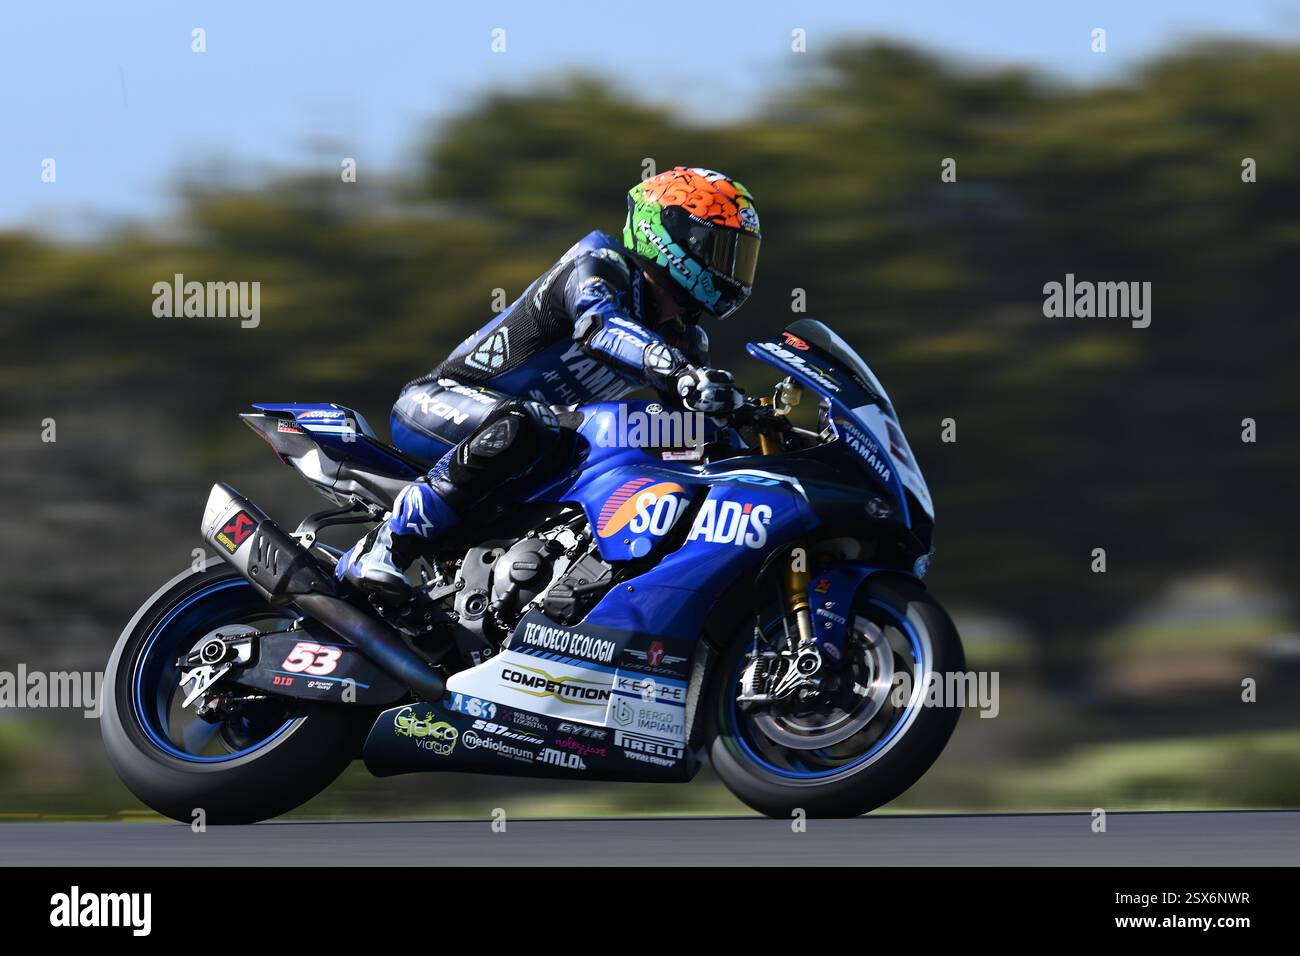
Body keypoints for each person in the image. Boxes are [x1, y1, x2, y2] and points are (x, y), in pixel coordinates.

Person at [337, 166, 762, 600]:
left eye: (739, 255)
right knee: (527, 422)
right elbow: (601, 326)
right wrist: (679, 373)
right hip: (439, 403)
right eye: (719, 249)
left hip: (534, 449)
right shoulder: (600, 263)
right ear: (669, 234)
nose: (730, 268)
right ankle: (382, 547)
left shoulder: (685, 340)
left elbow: (696, 433)